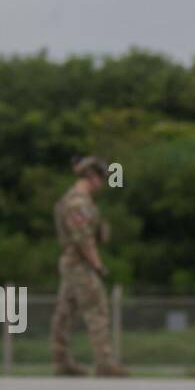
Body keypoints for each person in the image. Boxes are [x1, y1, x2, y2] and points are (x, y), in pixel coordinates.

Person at [50, 155, 129, 376]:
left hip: (72, 262)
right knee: (97, 308)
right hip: (79, 263)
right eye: (101, 178)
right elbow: (83, 238)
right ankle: (104, 362)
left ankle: (61, 360)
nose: (102, 183)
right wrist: (97, 264)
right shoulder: (78, 202)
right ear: (92, 176)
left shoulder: (74, 199)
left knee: (65, 311)